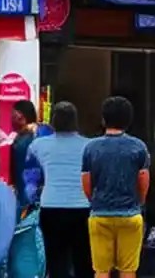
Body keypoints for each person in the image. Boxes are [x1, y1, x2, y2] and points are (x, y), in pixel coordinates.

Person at [82, 95, 150, 278]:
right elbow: (143, 179)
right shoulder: (139, 147)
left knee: (101, 270)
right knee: (128, 270)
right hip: (130, 215)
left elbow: (86, 183)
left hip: (100, 215)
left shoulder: (91, 148)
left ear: (103, 119)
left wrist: (94, 199)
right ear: (129, 120)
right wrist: (140, 202)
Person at [27, 101, 91, 278]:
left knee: (56, 261)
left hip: (51, 207)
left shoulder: (38, 145)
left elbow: (32, 176)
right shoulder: (89, 145)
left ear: (53, 120)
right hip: (82, 208)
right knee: (83, 260)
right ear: (75, 121)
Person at [10, 100, 40, 209]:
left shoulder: (27, 139)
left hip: (27, 192)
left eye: (13, 114)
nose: (11, 119)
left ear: (21, 117)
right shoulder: (24, 136)